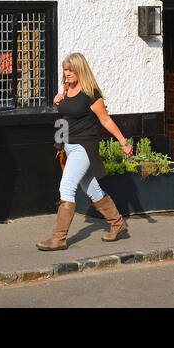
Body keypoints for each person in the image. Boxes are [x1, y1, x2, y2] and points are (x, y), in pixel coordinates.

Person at [37, 52, 134, 250]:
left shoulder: (91, 93)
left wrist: (124, 142)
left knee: (67, 187)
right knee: (90, 188)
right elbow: (66, 118)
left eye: (71, 69)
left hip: (84, 147)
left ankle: (59, 237)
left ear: (80, 69)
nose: (67, 73)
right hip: (69, 146)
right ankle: (118, 224)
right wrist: (59, 103)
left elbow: (105, 120)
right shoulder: (66, 90)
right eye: (65, 69)